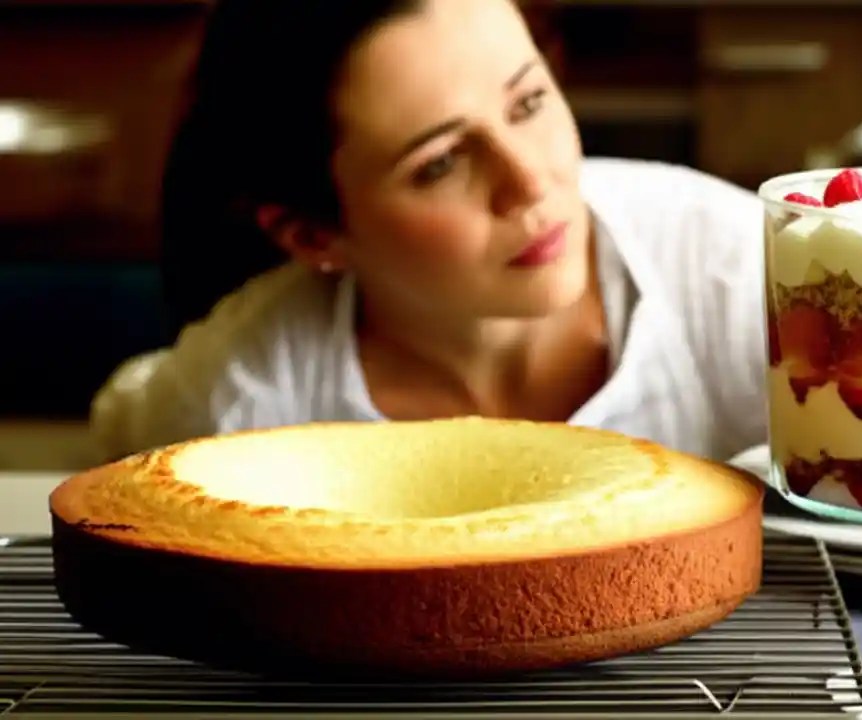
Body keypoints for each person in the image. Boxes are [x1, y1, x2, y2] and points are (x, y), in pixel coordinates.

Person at [90, 0, 769, 465]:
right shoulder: (245, 394)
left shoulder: (743, 276)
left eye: (528, 102)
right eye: (440, 163)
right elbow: (126, 424)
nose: (530, 183)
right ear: (312, 237)